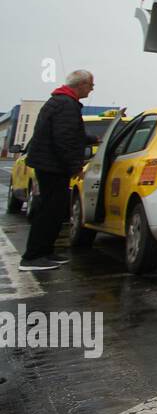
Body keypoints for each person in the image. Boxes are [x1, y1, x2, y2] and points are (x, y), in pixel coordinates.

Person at [20, 70, 95, 272]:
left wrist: (92, 139)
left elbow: (70, 132)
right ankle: (33, 256)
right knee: (49, 211)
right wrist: (75, 167)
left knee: (53, 210)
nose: (92, 89)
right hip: (53, 167)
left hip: (48, 165)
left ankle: (45, 251)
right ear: (80, 85)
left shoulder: (60, 102)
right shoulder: (66, 105)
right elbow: (64, 139)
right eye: (90, 85)